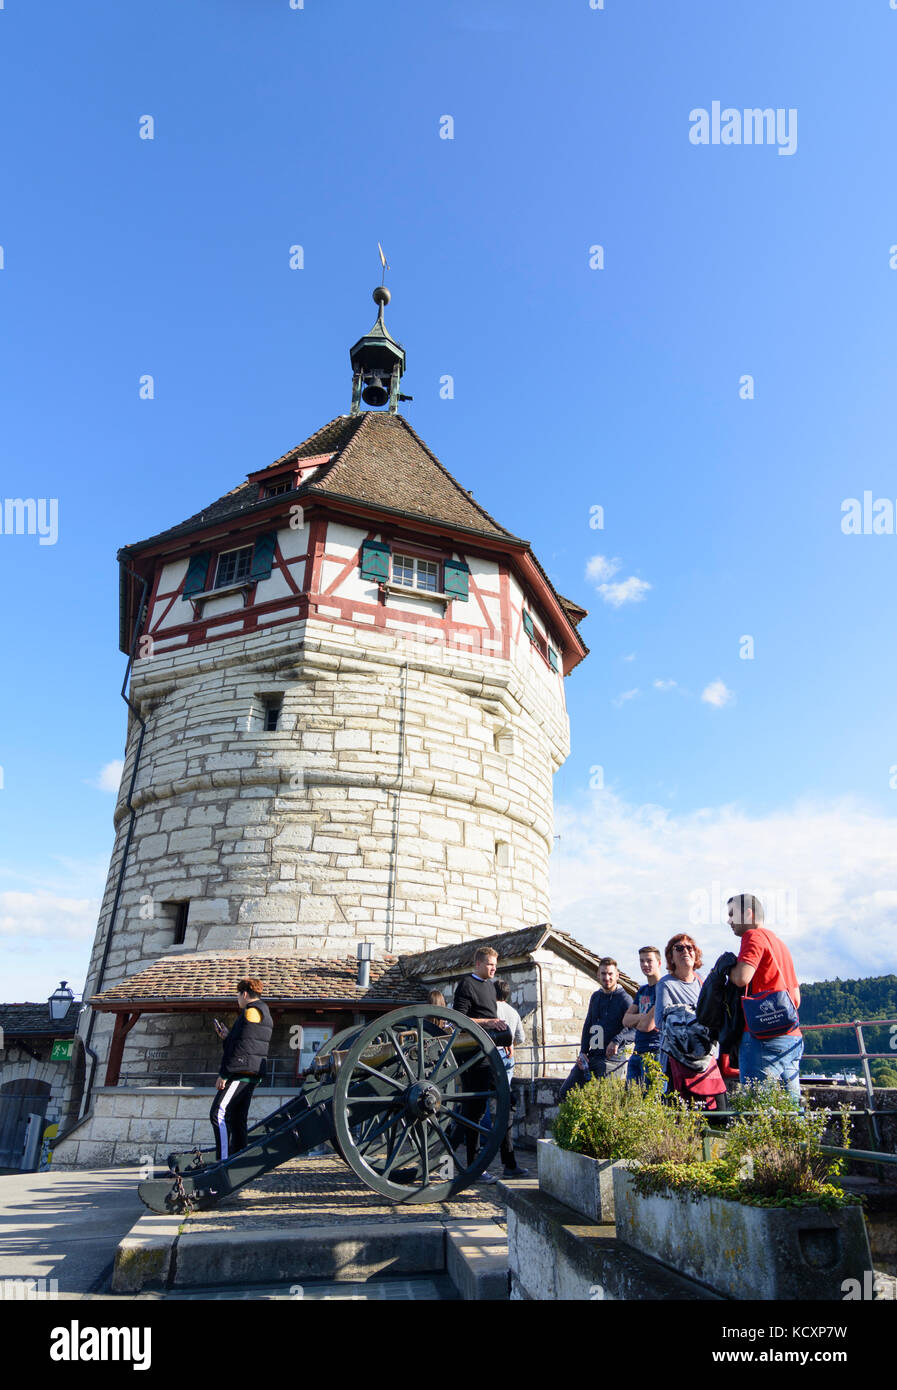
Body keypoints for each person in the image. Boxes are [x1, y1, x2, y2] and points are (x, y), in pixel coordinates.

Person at [728, 893, 803, 1102]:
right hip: (791, 1036)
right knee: (791, 1110)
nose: (729, 921)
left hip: (762, 1036)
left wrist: (729, 969)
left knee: (757, 1108)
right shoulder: (780, 944)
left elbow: (742, 978)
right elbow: (795, 998)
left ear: (748, 914)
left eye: (733, 914)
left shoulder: (753, 936)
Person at [451, 946, 510, 1183]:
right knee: (473, 1111)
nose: (494, 968)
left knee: (505, 1102)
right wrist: (490, 1022)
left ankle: (507, 1162)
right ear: (478, 964)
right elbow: (460, 1019)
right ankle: (474, 1167)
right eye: (490, 965)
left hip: (489, 1054)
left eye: (495, 965)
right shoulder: (467, 985)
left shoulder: (491, 986)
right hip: (472, 1055)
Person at [654, 935, 725, 1108]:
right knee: (681, 1111)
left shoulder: (701, 981)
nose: (685, 951)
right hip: (677, 1059)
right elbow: (660, 1022)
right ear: (671, 956)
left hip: (705, 1058)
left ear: (696, 954)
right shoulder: (666, 984)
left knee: (718, 1111)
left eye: (689, 948)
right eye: (679, 948)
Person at [210, 977, 273, 1162]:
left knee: (218, 1113)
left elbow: (241, 1047)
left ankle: (223, 1159)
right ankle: (238, 1158)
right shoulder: (263, 1012)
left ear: (245, 994)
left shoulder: (250, 1012)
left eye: (238, 995)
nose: (237, 999)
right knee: (238, 1119)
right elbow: (248, 1041)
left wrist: (224, 1074)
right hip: (251, 1073)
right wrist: (228, 1036)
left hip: (240, 1072)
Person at [559, 958, 634, 1100]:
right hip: (592, 1057)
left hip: (612, 1060)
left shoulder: (625, 999)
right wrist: (583, 1052)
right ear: (598, 975)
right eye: (603, 974)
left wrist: (617, 1041)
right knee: (566, 1093)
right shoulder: (596, 997)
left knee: (604, 1102)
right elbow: (588, 1025)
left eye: (610, 974)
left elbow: (635, 1030)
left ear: (617, 975)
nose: (607, 978)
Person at [493, 977, 529, 1178]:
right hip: (506, 1060)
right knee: (505, 1106)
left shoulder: (490, 1011)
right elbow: (521, 1038)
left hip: (490, 1058)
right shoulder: (513, 1012)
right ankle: (508, 1161)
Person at [623, 946, 663, 1086]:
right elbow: (626, 1020)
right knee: (631, 1099)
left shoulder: (663, 988)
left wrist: (638, 1020)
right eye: (642, 961)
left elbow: (647, 1026)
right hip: (637, 1050)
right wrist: (643, 1017)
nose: (645, 964)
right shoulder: (642, 990)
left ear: (659, 963)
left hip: (654, 1051)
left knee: (651, 1099)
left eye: (649, 960)